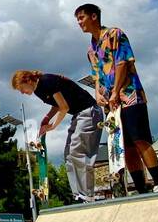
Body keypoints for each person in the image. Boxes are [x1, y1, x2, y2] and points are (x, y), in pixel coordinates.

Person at [73, 5, 158, 195]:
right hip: (111, 104)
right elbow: (97, 75)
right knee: (126, 145)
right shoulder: (91, 48)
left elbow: (122, 63)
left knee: (139, 139)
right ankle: (141, 187)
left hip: (129, 95)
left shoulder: (115, 34)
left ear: (93, 16)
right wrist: (99, 94)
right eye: (77, 19)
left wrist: (116, 91)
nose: (79, 22)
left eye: (81, 18)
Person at [11, 69, 102, 201]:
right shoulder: (38, 91)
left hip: (89, 111)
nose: (22, 93)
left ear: (28, 81)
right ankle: (78, 195)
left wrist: (52, 126)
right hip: (79, 114)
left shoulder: (47, 81)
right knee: (69, 154)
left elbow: (64, 107)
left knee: (78, 151)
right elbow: (57, 105)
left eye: (21, 89)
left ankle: (87, 194)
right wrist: (48, 117)